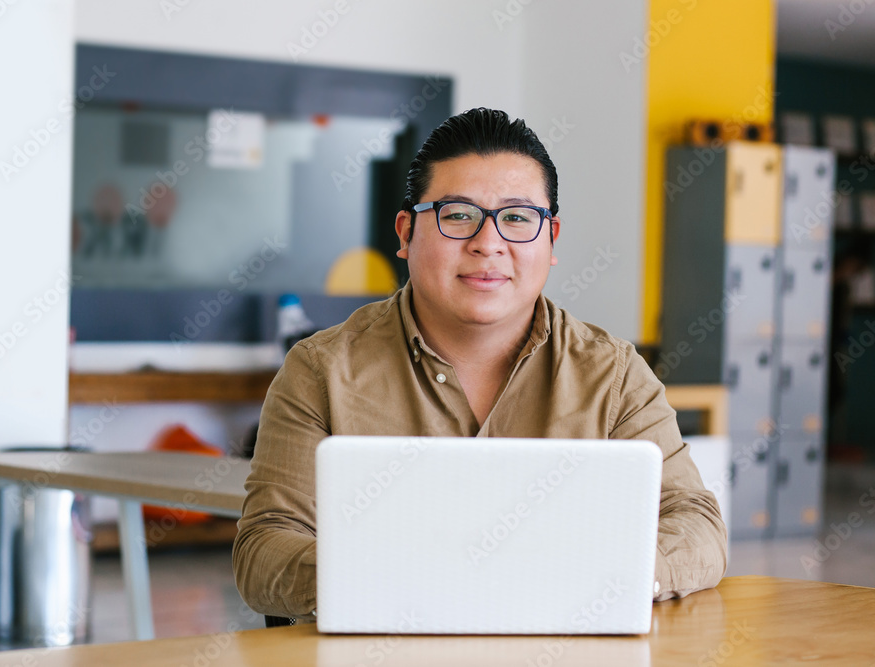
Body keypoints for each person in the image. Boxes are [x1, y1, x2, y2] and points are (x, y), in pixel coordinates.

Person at [233, 108, 727, 622]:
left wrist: (605, 574)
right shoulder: (321, 371)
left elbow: (695, 524)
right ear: (405, 233)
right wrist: (415, 583)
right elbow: (265, 549)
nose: (488, 243)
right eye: (458, 214)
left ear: (551, 237)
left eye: (517, 218)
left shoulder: (615, 376)